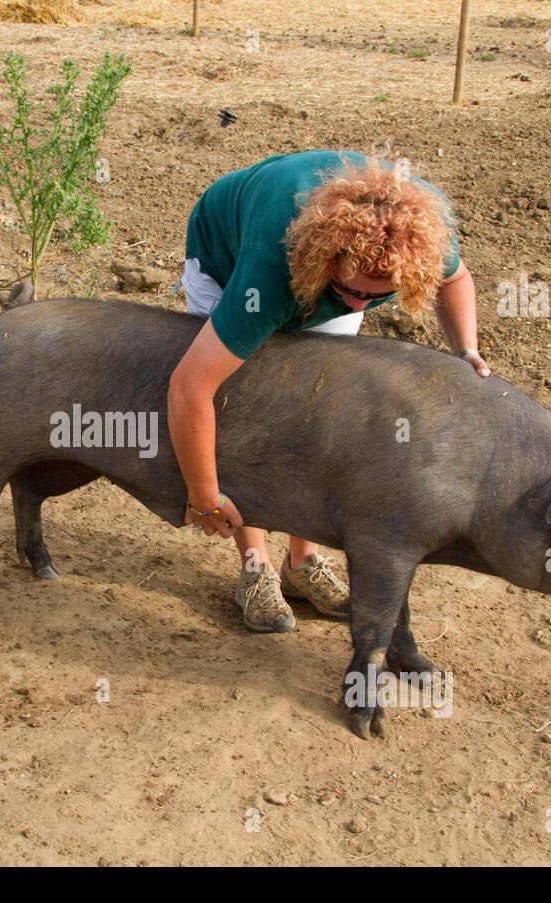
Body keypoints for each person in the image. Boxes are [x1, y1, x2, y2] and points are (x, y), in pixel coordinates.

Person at [168, 150, 490, 633]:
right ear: (327, 258)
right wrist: (204, 495)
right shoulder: (267, 271)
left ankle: (303, 563)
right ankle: (255, 565)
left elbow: (456, 278)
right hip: (228, 257)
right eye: (351, 291)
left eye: (375, 295)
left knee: (318, 413)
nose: (360, 304)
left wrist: (466, 350)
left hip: (319, 265)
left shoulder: (418, 238)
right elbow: (191, 386)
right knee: (247, 407)